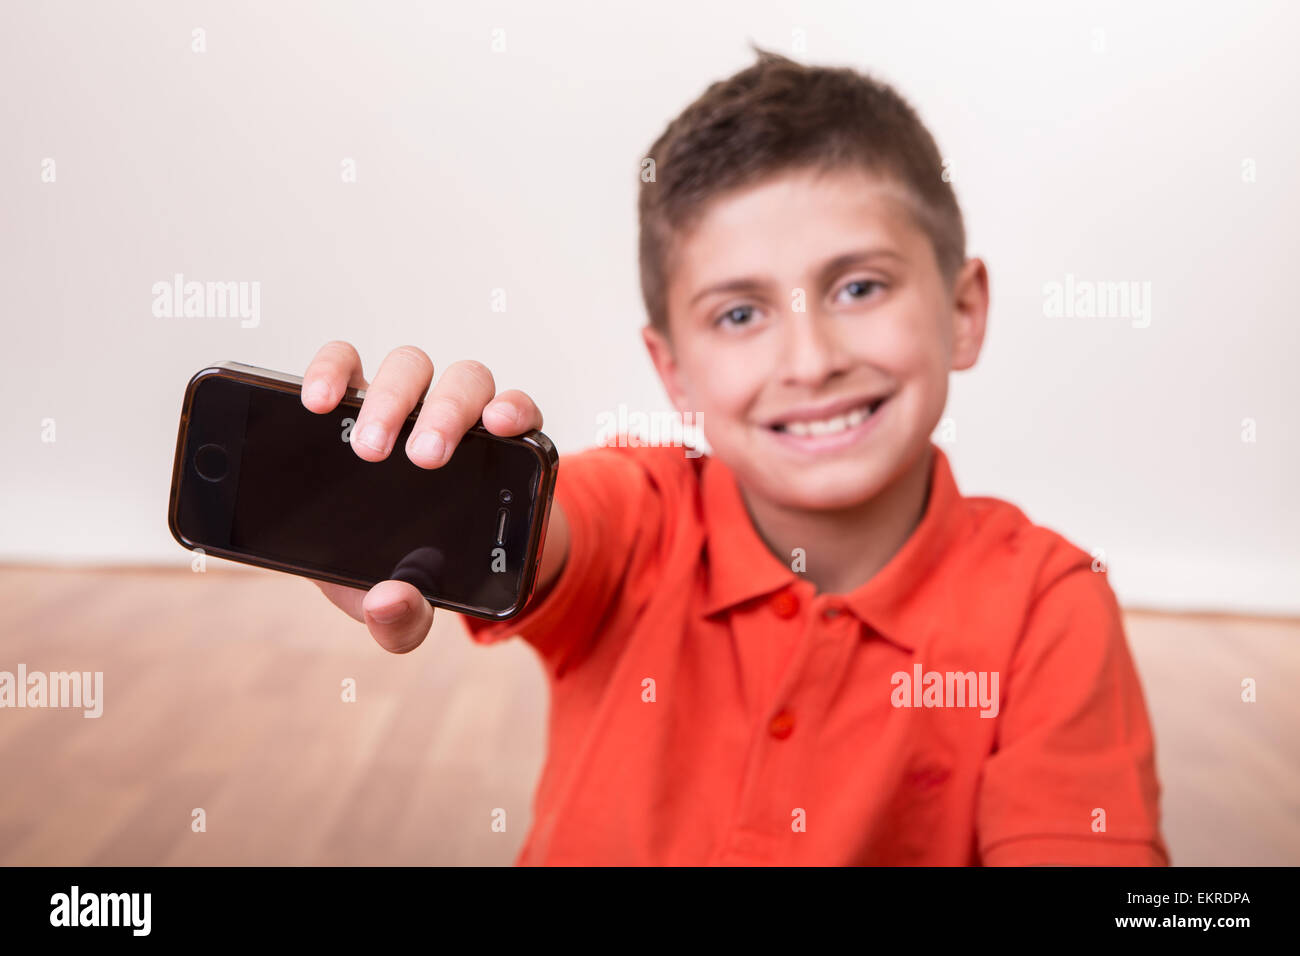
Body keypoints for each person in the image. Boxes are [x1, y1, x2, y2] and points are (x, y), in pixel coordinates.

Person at [298, 49, 1168, 866]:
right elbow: (547, 535)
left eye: (859, 287)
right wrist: (424, 490)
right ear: (672, 370)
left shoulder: (1049, 608)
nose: (810, 360)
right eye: (740, 315)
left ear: (964, 309)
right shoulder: (643, 510)